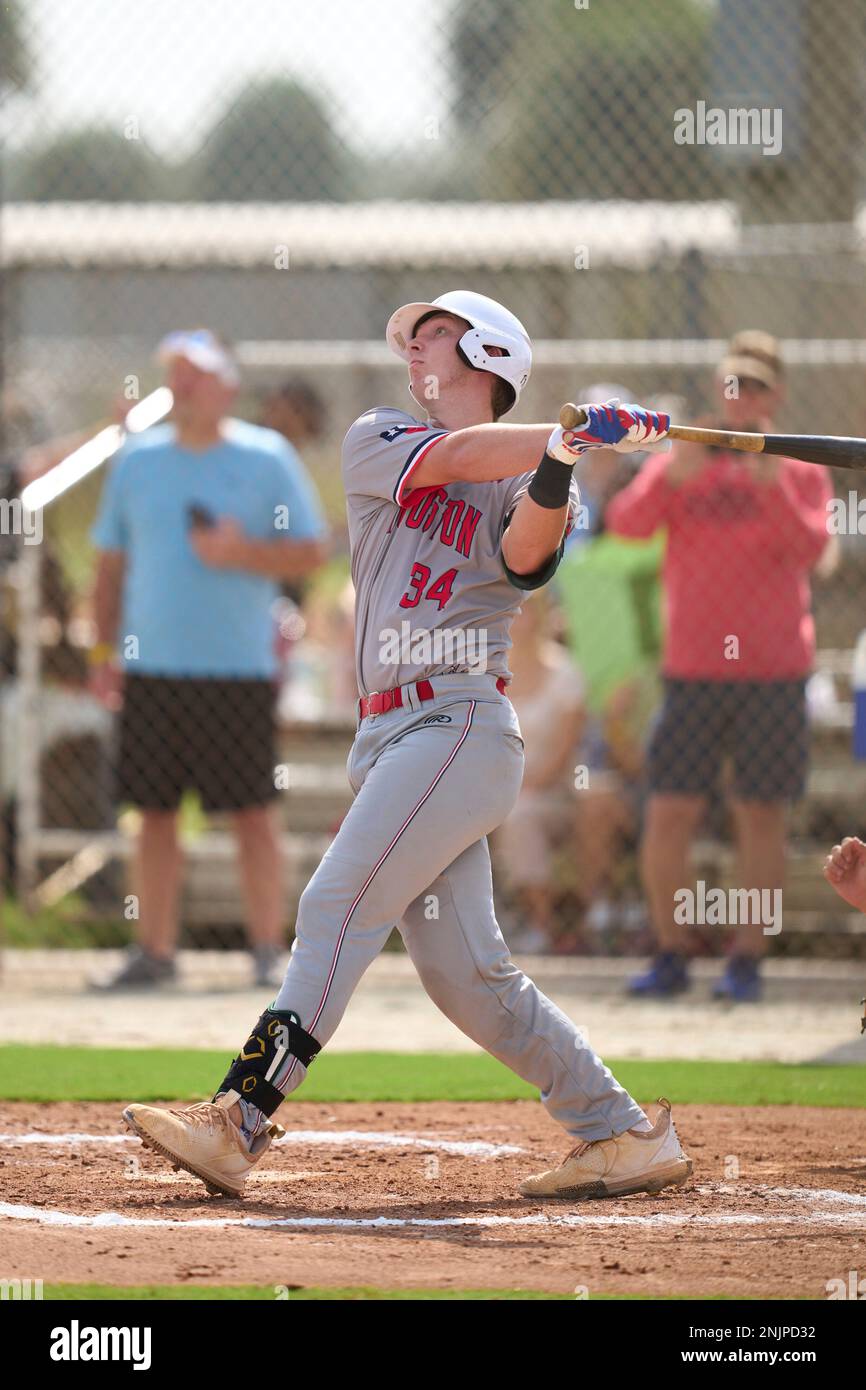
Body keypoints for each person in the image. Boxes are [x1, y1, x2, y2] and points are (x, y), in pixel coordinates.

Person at [120, 290, 690, 1203]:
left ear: (491, 359)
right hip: (390, 734)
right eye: (415, 339)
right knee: (467, 979)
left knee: (337, 900)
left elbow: (528, 556)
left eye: (437, 338)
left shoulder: (538, 475)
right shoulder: (381, 435)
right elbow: (459, 456)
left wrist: (562, 458)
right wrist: (570, 433)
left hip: (460, 727)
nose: (416, 351)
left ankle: (240, 1116)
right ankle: (620, 1130)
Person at [89, 329, 328, 990]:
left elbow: (311, 550)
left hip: (237, 671)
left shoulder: (267, 457)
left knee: (253, 814)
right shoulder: (136, 460)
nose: (183, 385)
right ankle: (155, 952)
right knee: (154, 814)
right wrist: (105, 649)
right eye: (175, 373)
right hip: (152, 669)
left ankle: (267, 954)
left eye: (196, 374)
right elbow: (109, 565)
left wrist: (240, 552)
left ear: (226, 385)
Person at [607, 331, 833, 1001]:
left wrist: (771, 488)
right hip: (694, 668)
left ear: (777, 394)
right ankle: (673, 951)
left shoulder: (797, 466)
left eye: (758, 386)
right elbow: (623, 526)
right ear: (719, 391)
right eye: (734, 385)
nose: (743, 397)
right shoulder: (687, 454)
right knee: (670, 811)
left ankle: (746, 960)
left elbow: (813, 550)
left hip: (772, 670)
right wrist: (674, 475)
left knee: (760, 814)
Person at [491, 590, 585, 953]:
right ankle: (478, 926)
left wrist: (518, 789)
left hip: (552, 793)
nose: (517, 617)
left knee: (521, 815)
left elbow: (564, 753)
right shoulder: (487, 671)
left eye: (525, 609)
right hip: (492, 790)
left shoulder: (565, 673)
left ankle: (540, 924)